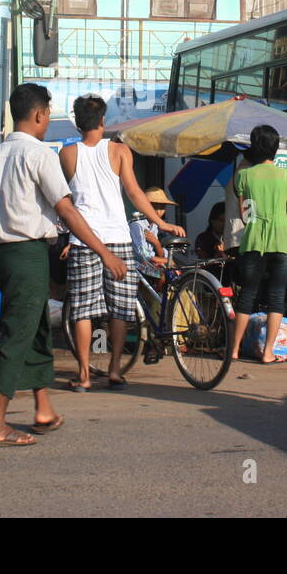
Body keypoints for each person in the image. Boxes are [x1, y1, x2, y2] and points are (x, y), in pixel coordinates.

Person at [0, 84, 127, 446]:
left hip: (1, 254)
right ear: (40, 115)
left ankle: (43, 407)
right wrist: (104, 252)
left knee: (36, 327)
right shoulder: (39, 154)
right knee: (19, 334)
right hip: (26, 254)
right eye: (48, 114)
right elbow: (66, 209)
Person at [61, 95, 182, 392]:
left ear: (77, 122)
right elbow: (135, 193)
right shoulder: (119, 151)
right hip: (117, 239)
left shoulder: (67, 154)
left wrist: (66, 236)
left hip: (84, 240)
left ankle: (85, 375)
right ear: (103, 121)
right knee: (120, 308)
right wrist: (162, 222)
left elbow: (64, 202)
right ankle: (114, 370)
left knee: (82, 309)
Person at [229, 125, 287, 364]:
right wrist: (280, 226)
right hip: (282, 240)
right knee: (277, 296)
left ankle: (234, 350)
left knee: (247, 294)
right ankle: (268, 352)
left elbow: (245, 215)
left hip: (254, 240)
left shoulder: (244, 176)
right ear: (276, 147)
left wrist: (259, 224)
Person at [130, 187, 179, 283]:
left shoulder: (156, 226)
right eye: (154, 207)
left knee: (175, 272)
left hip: (150, 263)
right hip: (136, 265)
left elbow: (162, 253)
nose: (158, 211)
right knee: (163, 275)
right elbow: (142, 254)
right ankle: (153, 297)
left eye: (162, 208)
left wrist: (156, 243)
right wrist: (164, 260)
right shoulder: (136, 225)